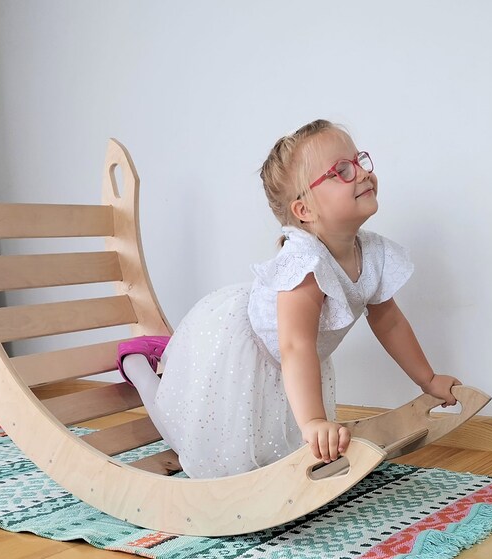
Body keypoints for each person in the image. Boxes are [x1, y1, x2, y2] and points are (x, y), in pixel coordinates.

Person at [117, 119, 460, 479]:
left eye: (358, 161)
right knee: (189, 432)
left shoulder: (373, 253)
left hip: (292, 362)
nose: (360, 173)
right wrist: (313, 420)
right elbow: (296, 345)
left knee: (269, 445)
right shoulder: (305, 263)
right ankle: (140, 366)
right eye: (341, 171)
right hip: (243, 349)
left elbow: (389, 322)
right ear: (305, 211)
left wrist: (428, 379)